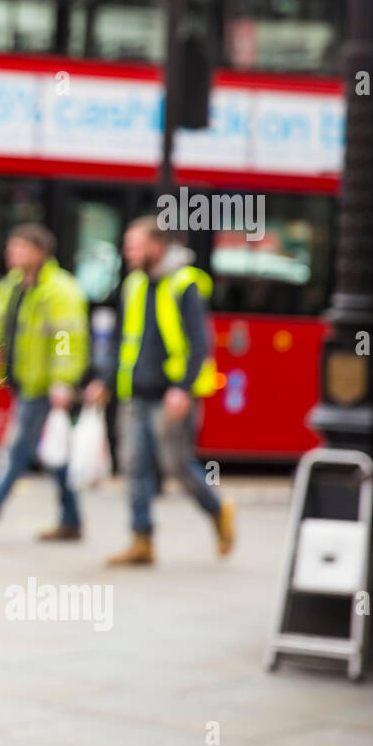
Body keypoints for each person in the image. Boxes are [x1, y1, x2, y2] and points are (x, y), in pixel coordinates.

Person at [85, 215, 236, 566]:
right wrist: (104, 381)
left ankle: (218, 510)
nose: (128, 252)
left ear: (156, 245)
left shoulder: (185, 284)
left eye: (134, 245)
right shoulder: (134, 285)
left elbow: (200, 344)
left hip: (172, 395)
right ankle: (142, 540)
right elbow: (124, 340)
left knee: (176, 465)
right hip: (135, 392)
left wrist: (182, 389)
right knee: (134, 466)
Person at [0, 224, 89, 544]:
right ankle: (71, 520)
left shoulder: (60, 290)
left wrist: (62, 381)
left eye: (21, 249)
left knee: (15, 453)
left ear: (41, 253)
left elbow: (67, 340)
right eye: (12, 248)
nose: (12, 254)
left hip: (44, 388)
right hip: (23, 382)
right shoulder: (13, 284)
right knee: (55, 456)